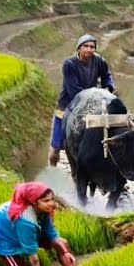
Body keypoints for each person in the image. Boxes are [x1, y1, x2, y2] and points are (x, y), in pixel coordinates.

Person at [0, 182, 76, 266]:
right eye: (46, 201)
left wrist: (65, 252)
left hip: (15, 227)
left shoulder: (44, 210)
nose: (51, 203)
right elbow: (33, 255)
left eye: (52, 199)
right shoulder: (26, 222)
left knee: (63, 243)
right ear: (34, 202)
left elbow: (51, 232)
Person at [50, 34, 116, 167]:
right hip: (68, 104)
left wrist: (107, 89)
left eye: (92, 47)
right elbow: (73, 89)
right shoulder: (70, 64)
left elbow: (107, 76)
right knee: (57, 146)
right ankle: (52, 168)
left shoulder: (99, 61)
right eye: (85, 46)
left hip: (92, 101)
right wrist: (95, 94)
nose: (89, 49)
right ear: (79, 48)